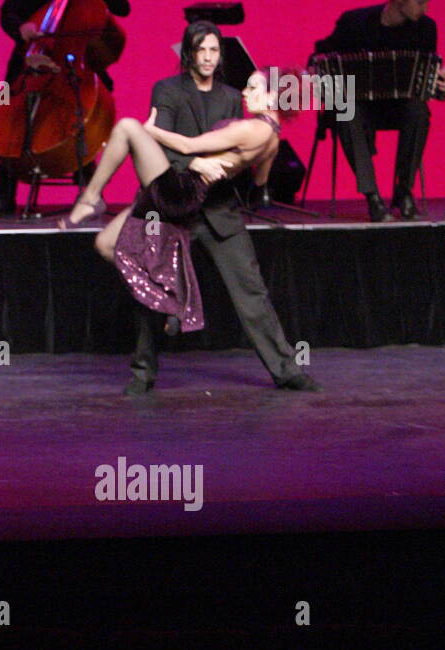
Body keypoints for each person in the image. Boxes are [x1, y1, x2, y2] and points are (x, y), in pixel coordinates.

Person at [76, 22, 320, 394]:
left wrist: (233, 170)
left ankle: (287, 369)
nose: (208, 57)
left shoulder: (230, 97)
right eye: (201, 50)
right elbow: (167, 149)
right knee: (152, 284)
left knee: (251, 291)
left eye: (214, 51)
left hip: (219, 211)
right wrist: (193, 164)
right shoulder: (168, 90)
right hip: (175, 204)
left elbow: (240, 163)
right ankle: (143, 373)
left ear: (221, 55)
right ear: (188, 53)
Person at [66, 68, 292, 341]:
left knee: (128, 127)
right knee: (105, 243)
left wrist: (153, 131)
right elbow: (259, 182)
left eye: (253, 88)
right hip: (186, 193)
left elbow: (187, 146)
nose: (244, 93)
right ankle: (169, 299)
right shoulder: (274, 140)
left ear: (274, 97)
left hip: (180, 189)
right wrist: (229, 166)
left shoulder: (251, 128)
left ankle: (90, 199)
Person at [0, 0, 130, 214]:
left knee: (82, 109)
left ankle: (89, 186)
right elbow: (7, 15)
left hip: (72, 65)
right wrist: (23, 29)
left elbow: (123, 7)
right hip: (31, 62)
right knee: (7, 108)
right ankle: (3, 193)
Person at [314, 0, 445, 221]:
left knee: (418, 111)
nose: (425, 10)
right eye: (420, 2)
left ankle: (403, 191)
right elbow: (320, 55)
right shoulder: (354, 23)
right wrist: (321, 74)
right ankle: (373, 197)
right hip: (361, 107)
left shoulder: (426, 29)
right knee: (346, 111)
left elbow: (428, 76)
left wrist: (441, 82)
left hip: (397, 107)